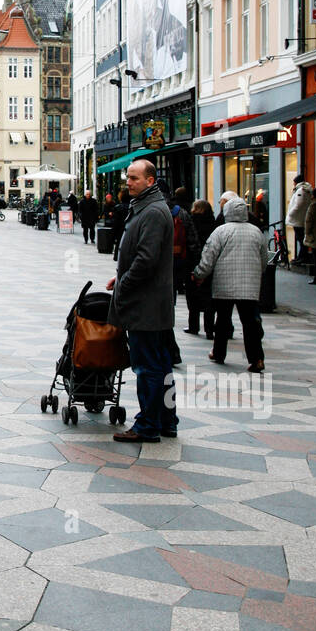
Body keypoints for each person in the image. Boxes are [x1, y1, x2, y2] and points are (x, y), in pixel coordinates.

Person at [106, 159, 176, 444]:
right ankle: (167, 421)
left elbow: (146, 260)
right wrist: (119, 276)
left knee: (147, 367)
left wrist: (124, 285)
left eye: (134, 178)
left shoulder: (153, 212)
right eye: (128, 178)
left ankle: (148, 424)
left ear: (150, 181)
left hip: (145, 304)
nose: (128, 183)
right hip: (151, 302)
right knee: (160, 365)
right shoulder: (149, 207)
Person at [192, 197, 268, 372]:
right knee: (250, 323)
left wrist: (198, 274)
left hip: (224, 285)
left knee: (222, 321)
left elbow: (208, 257)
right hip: (249, 286)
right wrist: (258, 273)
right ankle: (257, 359)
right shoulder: (256, 232)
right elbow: (263, 260)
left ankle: (219, 352)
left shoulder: (220, 232)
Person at [185, 199, 216, 338]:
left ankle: (193, 326)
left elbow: (189, 242)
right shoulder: (213, 223)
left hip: (193, 262)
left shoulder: (191, 221)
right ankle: (209, 329)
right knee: (209, 297)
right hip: (210, 263)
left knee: (192, 297)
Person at [286, 174, 313, 263]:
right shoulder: (306, 190)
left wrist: (290, 214)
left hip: (297, 219)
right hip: (301, 218)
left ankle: (302, 257)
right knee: (301, 240)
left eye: (294, 182)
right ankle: (301, 257)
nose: (293, 184)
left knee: (301, 239)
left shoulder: (300, 191)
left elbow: (298, 204)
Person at [111, 187, 131, 256]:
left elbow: (115, 224)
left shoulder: (118, 208)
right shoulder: (134, 207)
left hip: (121, 235)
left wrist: (113, 237)